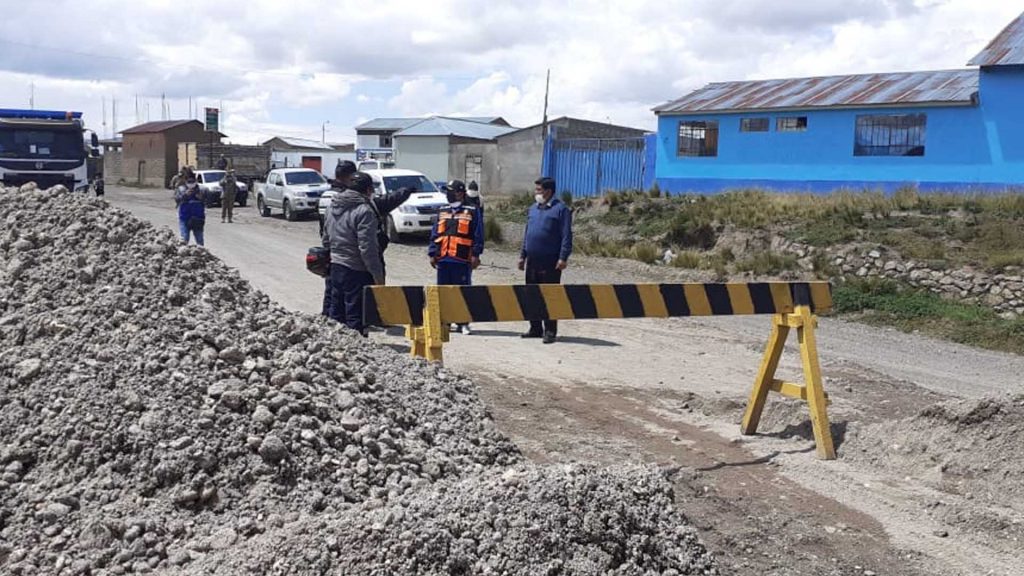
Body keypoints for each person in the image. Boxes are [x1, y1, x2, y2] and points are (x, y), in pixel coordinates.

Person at [321, 171, 384, 335]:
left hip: (336, 267)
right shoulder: (364, 211)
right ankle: (356, 354)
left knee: (336, 313)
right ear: (368, 190)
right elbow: (367, 248)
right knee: (356, 317)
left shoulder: (331, 206)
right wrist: (378, 275)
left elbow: (325, 239)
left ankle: (334, 352)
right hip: (357, 270)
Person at [519, 177, 572, 344]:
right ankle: (535, 328)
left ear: (548, 191)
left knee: (549, 296)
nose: (536, 193)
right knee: (532, 295)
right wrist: (523, 255)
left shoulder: (560, 210)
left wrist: (563, 257)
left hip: (550, 261)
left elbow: (566, 236)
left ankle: (550, 331)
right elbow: (527, 234)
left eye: (539, 190)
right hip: (532, 260)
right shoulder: (533, 209)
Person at [428, 179, 483, 335]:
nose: (448, 194)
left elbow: (478, 234)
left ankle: (463, 322)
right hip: (443, 258)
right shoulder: (442, 210)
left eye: (451, 191)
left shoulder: (472, 210)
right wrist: (432, 252)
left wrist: (476, 254)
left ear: (460, 193)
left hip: (462, 258)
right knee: (443, 292)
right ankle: (445, 321)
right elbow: (435, 232)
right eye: (447, 191)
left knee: (462, 292)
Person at [175, 170, 206, 246]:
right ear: (185, 181)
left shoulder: (202, 189)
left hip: (198, 218)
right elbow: (177, 200)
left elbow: (207, 202)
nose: (191, 184)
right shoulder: (181, 189)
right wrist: (185, 195)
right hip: (185, 218)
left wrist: (201, 198)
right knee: (184, 240)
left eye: (193, 181)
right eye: (189, 181)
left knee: (200, 242)